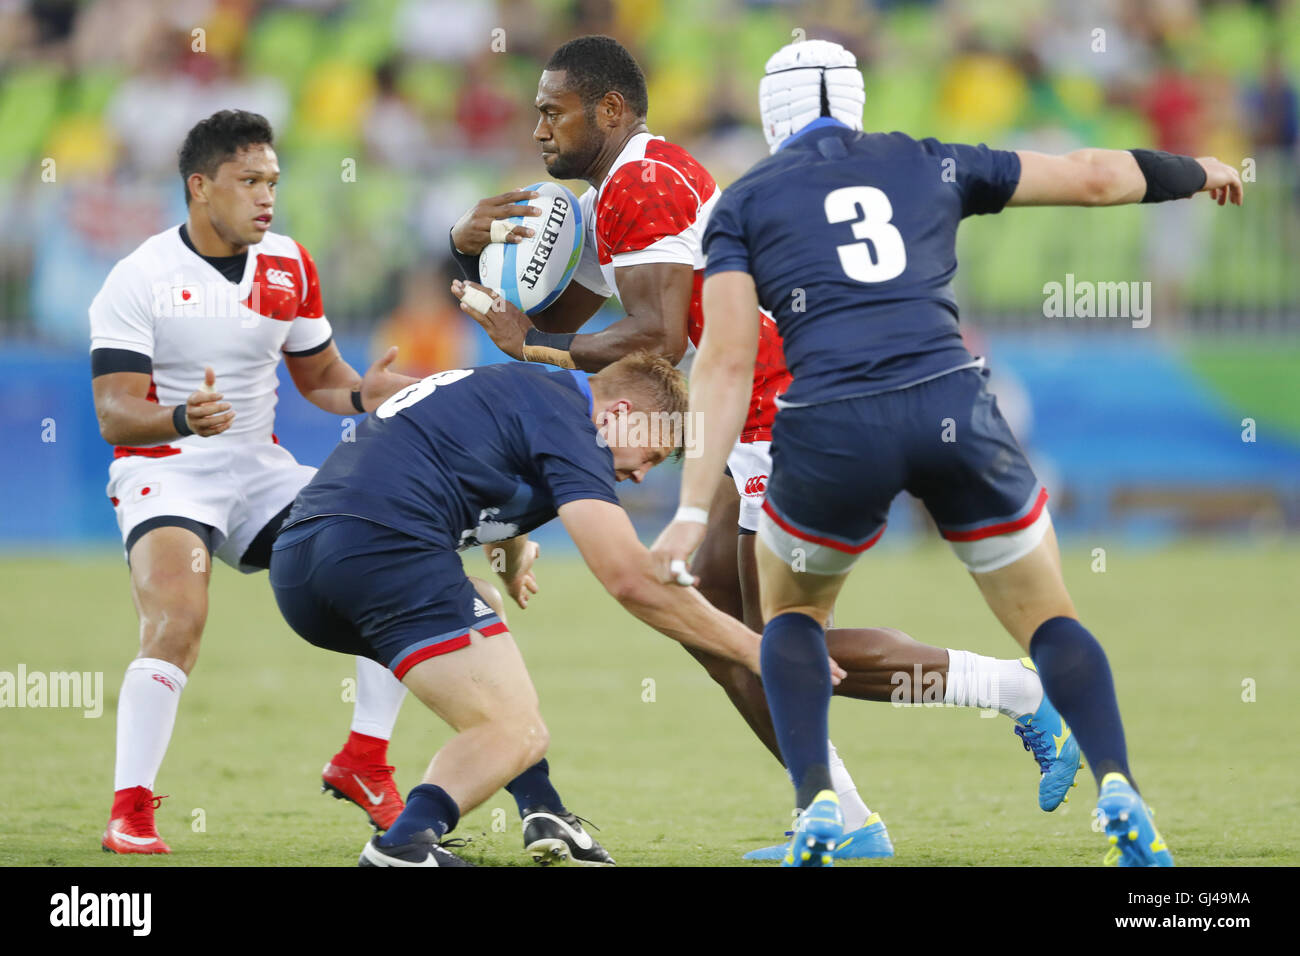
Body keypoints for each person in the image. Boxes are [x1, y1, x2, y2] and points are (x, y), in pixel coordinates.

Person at [452, 34, 1080, 861]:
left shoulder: (641, 183)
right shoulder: (624, 186)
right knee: (712, 626)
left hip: (780, 407)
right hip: (754, 408)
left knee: (776, 643)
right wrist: (469, 251)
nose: (537, 129)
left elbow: (659, 336)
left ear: (608, 109)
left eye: (550, 111)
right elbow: (568, 320)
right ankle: (845, 818)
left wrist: (530, 345)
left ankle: (1013, 694)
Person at [652, 38, 1243, 866]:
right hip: (951, 404)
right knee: (1051, 618)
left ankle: (821, 804)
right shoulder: (930, 160)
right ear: (857, 103)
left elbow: (724, 360)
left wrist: (686, 509)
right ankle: (1119, 786)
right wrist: (1193, 168)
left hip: (832, 425)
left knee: (787, 621)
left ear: (767, 113)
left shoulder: (742, 204)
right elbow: (1093, 177)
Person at [269, 353, 796, 866]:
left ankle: (543, 809)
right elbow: (632, 580)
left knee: (484, 605)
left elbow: (479, 461)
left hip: (300, 571)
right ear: (620, 414)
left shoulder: (537, 392)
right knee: (517, 732)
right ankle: (403, 846)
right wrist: (757, 649)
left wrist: (513, 553)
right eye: (653, 455)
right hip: (382, 554)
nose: (641, 475)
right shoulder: (574, 426)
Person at [89, 109, 420, 853]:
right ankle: (131, 810)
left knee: (388, 564)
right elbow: (114, 411)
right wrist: (179, 418)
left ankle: (365, 760)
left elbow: (321, 378)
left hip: (258, 472)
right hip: (166, 470)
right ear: (200, 187)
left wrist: (369, 393)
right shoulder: (139, 276)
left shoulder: (289, 264)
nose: (266, 197)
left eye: (272, 181)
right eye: (249, 182)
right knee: (178, 620)